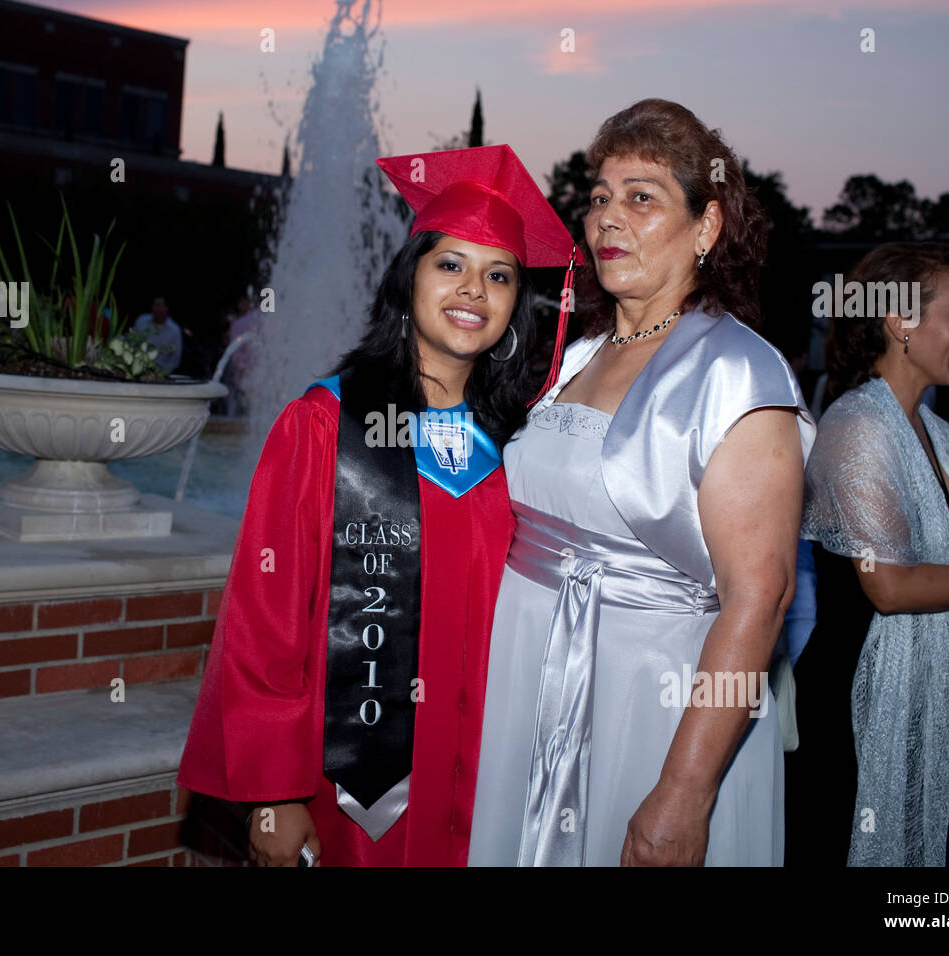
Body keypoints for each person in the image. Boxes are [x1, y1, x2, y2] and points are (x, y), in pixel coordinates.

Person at [177, 144, 575, 866]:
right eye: (449, 264)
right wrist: (273, 792)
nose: (473, 291)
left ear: (518, 302)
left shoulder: (521, 447)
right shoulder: (325, 426)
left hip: (490, 778)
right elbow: (264, 619)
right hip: (358, 789)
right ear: (409, 276)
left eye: (499, 275)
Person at [468, 99, 815, 867]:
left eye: (641, 197)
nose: (605, 219)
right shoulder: (575, 354)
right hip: (530, 675)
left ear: (707, 227)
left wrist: (685, 790)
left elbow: (761, 602)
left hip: (649, 701)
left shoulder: (738, 373)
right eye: (597, 197)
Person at [789, 242, 949, 867]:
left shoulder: (943, 437)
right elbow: (891, 586)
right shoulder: (856, 427)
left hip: (941, 698)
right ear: (901, 322)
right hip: (863, 703)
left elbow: (947, 558)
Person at [224, 295, 261, 416]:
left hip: (245, 374)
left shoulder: (238, 324)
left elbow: (235, 354)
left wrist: (244, 366)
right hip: (261, 371)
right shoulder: (262, 318)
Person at [133, 296, 183, 374]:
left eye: (159, 305)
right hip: (137, 367)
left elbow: (175, 358)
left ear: (167, 308)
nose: (156, 308)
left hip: (159, 372)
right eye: (155, 305)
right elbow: (131, 341)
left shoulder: (174, 330)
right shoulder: (141, 320)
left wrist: (162, 373)